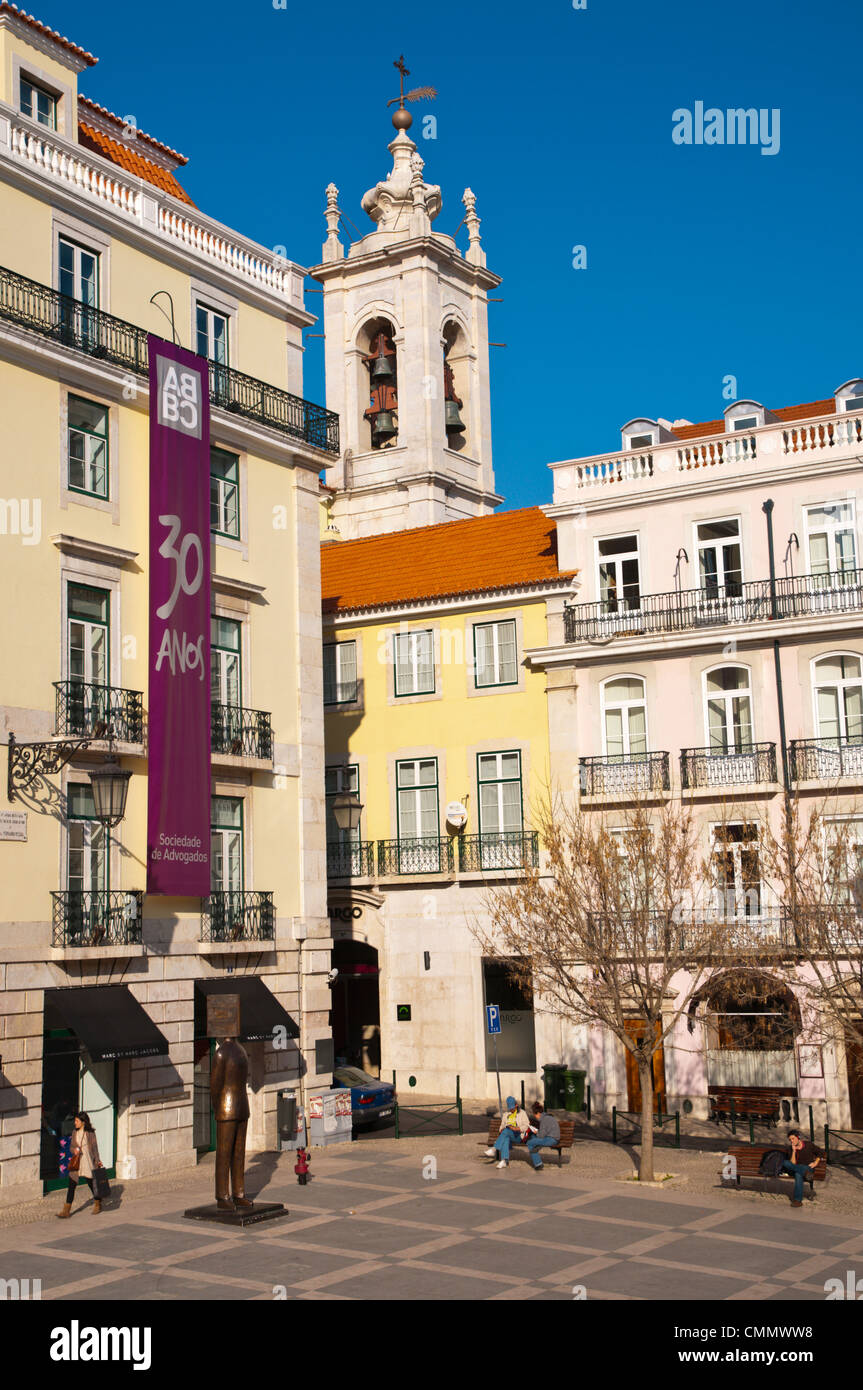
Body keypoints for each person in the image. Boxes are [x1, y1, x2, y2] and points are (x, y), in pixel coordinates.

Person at [57, 1111, 104, 1218]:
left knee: (91, 1183)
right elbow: (71, 1147)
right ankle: (66, 1210)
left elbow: (95, 1149)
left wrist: (97, 1161)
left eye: (77, 1121)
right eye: (75, 1121)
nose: (75, 1123)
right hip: (77, 1162)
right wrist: (75, 1150)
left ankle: (97, 1203)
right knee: (71, 1185)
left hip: (87, 1161)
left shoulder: (90, 1133)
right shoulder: (74, 1132)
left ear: (83, 1122)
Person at [781, 1129, 824, 1207]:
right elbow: (792, 1163)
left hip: (808, 1168)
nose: (791, 1141)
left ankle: (798, 1200)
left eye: (793, 1138)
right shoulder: (790, 1148)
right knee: (786, 1163)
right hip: (800, 1170)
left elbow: (820, 1152)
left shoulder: (808, 1145)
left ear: (798, 1137)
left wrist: (816, 1162)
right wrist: (794, 1151)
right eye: (790, 1140)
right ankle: (798, 1201)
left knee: (798, 1173)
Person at [485, 1096, 530, 1168]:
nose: (511, 1109)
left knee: (506, 1132)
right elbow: (502, 1126)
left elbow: (527, 1125)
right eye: (510, 1108)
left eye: (513, 1108)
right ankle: (504, 1161)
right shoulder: (506, 1114)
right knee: (506, 1137)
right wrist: (501, 1129)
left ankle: (494, 1149)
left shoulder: (522, 1113)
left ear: (516, 1105)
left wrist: (517, 1128)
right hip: (508, 1134)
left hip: (518, 1136)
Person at [526, 1101, 561, 1170]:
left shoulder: (544, 1120)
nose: (535, 1117)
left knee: (529, 1142)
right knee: (533, 1139)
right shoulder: (547, 1117)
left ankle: (538, 1164)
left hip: (552, 1139)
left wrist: (536, 1132)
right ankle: (537, 1147)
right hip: (553, 1138)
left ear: (538, 1113)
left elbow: (541, 1136)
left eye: (535, 1115)